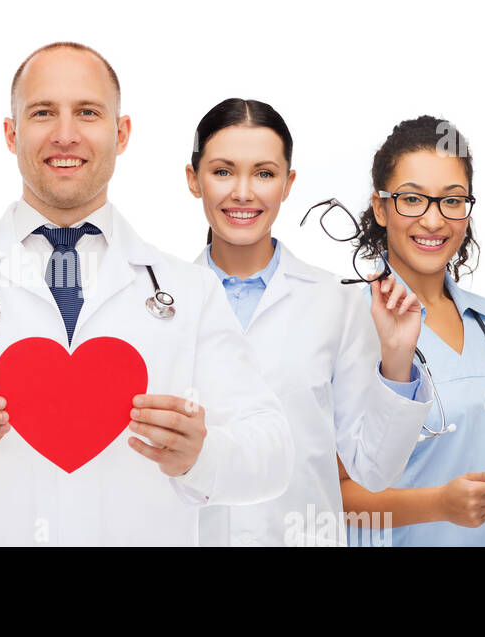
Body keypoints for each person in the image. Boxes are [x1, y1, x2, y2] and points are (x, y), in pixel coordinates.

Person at [0, 42, 293, 546]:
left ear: (121, 133)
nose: (65, 135)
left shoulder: (190, 291)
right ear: (11, 134)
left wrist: (204, 457)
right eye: (43, 112)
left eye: (88, 113)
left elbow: (271, 454)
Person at [184, 98, 434, 547]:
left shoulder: (334, 303)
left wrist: (397, 361)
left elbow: (373, 468)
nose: (243, 192)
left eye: (264, 173)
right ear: (193, 179)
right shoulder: (161, 302)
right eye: (222, 171)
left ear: (287, 183)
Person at [338, 115, 485, 546]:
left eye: (452, 201)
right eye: (412, 199)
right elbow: (334, 496)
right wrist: (440, 505)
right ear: (380, 208)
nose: (434, 221)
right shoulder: (344, 325)